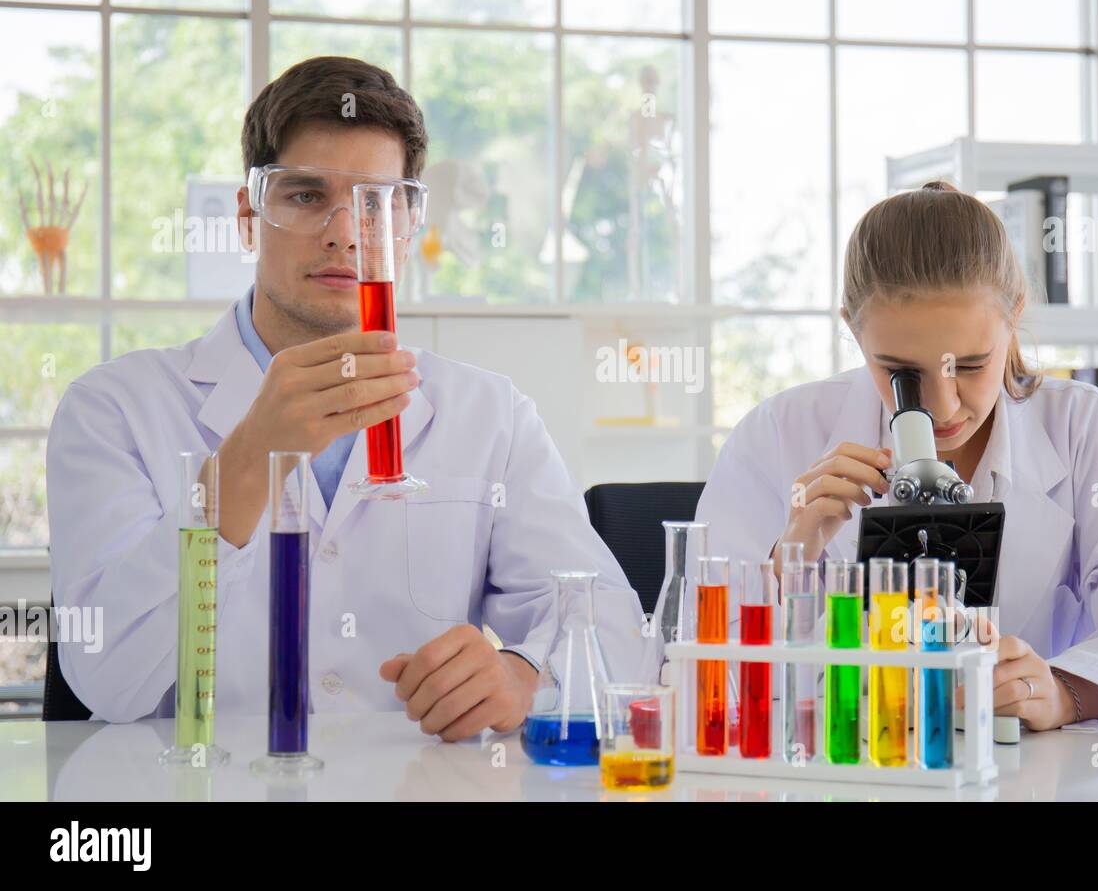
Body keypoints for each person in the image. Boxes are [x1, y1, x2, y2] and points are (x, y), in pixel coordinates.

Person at [47, 56, 649, 735]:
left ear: (408, 223)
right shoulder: (115, 408)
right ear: (248, 218)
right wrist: (250, 459)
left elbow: (619, 635)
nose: (343, 231)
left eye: (377, 203)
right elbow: (105, 680)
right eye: (304, 195)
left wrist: (524, 676)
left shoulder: (491, 415)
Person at [695, 181, 1098, 731]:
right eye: (902, 374)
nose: (942, 408)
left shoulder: (1090, 433)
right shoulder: (779, 435)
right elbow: (696, 674)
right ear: (852, 328)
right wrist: (792, 559)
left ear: (1014, 315)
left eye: (970, 365)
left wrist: (1064, 690)